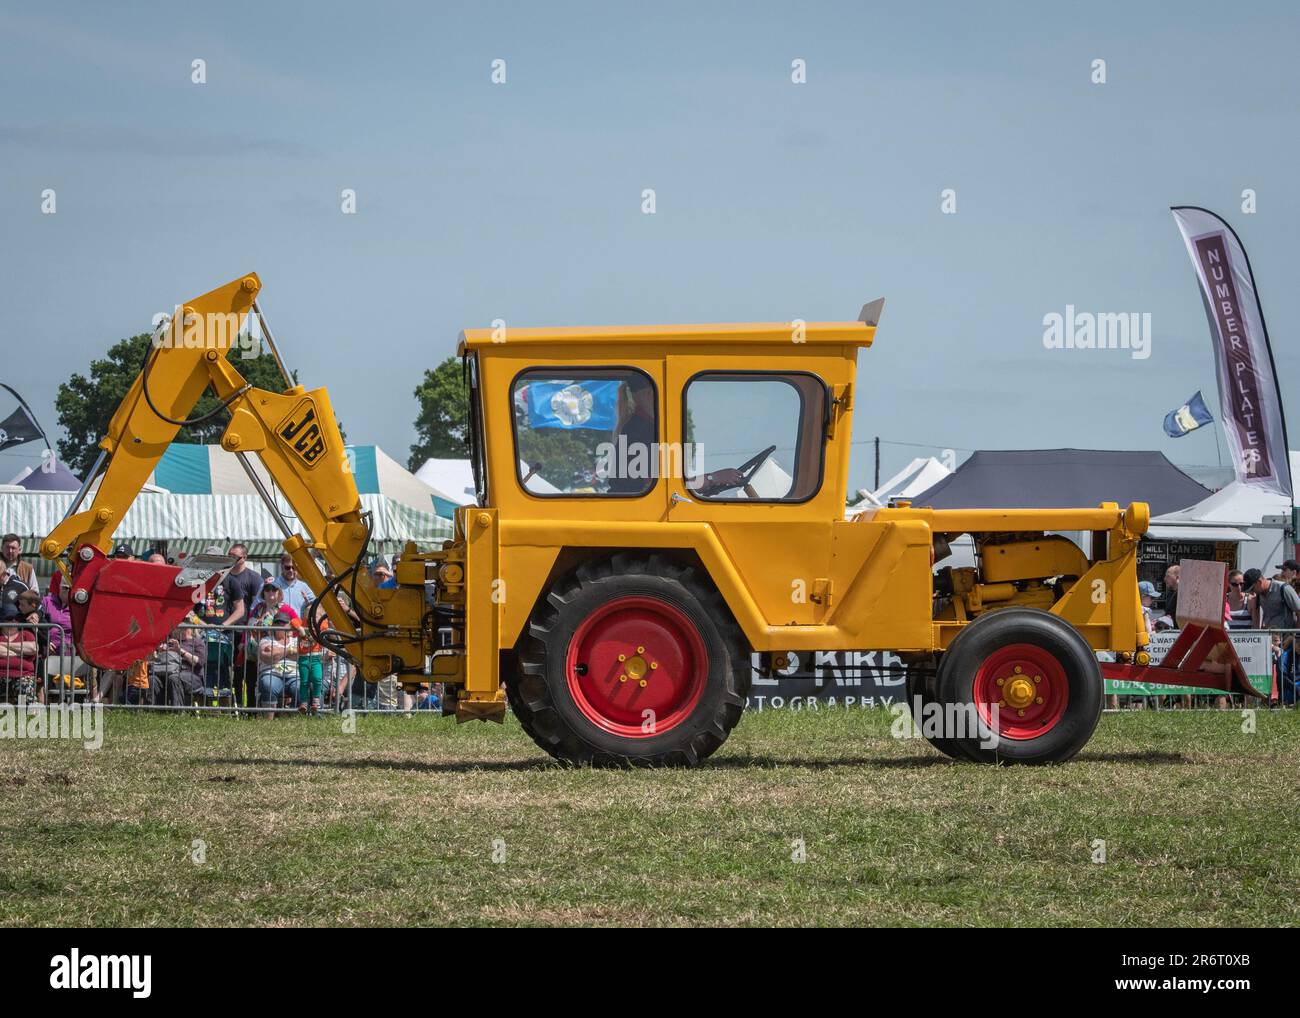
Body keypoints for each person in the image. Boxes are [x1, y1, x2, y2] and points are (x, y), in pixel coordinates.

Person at [256, 610, 300, 712]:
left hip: (294, 675)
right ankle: (269, 722)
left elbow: (301, 655)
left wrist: (276, 652)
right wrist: (289, 650)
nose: (281, 625)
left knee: (300, 687)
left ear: (290, 625)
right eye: (278, 623)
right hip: (271, 673)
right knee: (268, 684)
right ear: (273, 625)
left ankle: (294, 719)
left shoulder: (296, 640)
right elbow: (267, 657)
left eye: (284, 623)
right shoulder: (266, 640)